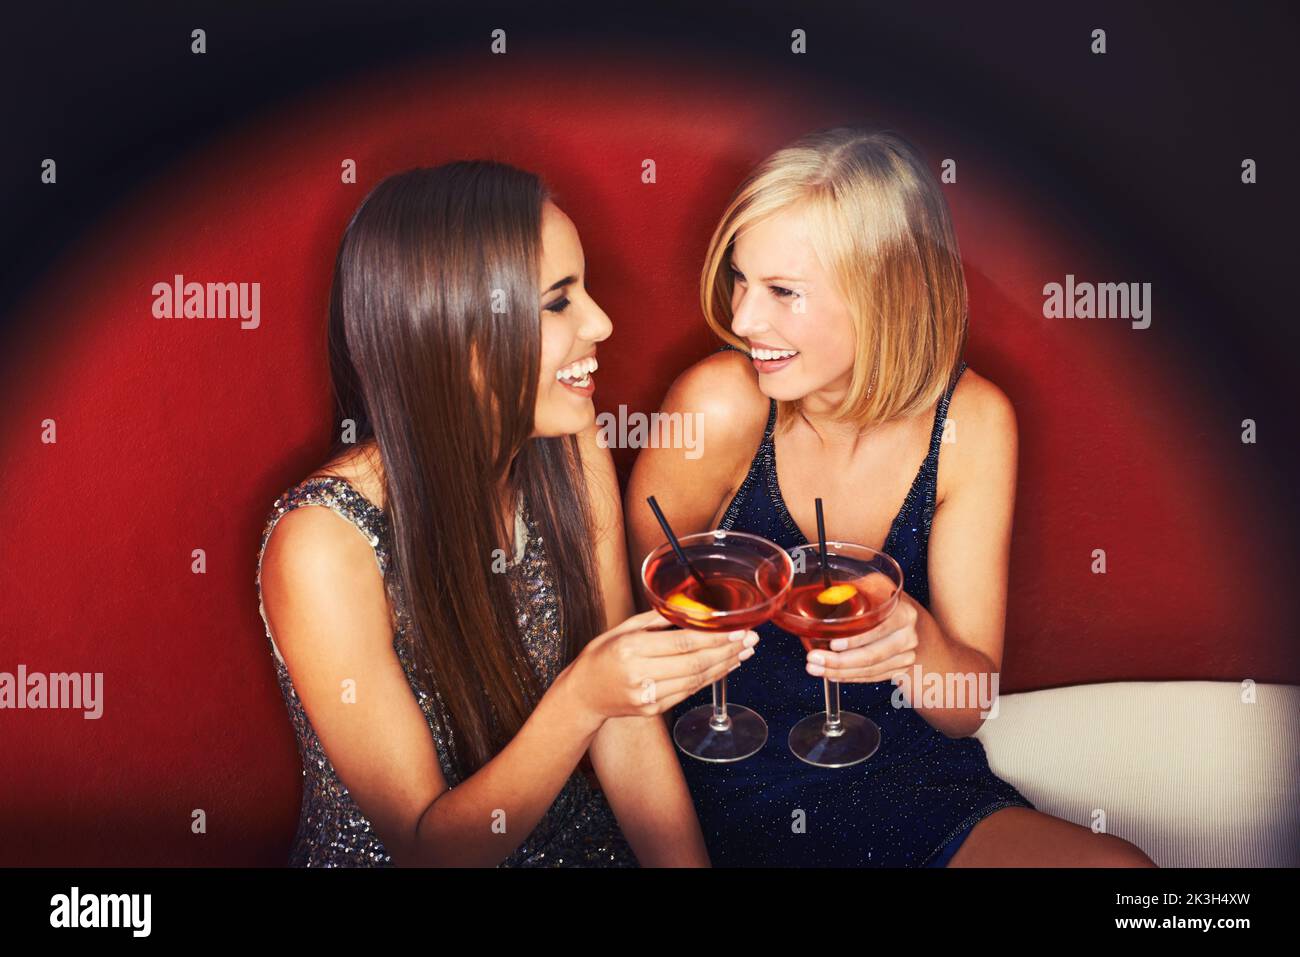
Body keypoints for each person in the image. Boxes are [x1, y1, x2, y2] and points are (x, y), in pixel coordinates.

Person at [626, 128, 1157, 867]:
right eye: (742, 280)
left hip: (904, 779)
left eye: (784, 292)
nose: (744, 319)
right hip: (729, 781)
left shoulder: (972, 422)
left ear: (885, 292)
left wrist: (917, 640)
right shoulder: (719, 407)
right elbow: (634, 666)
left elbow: (964, 707)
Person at [256, 161, 758, 866]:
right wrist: (582, 697)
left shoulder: (569, 438)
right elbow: (427, 848)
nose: (602, 321)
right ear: (453, 337)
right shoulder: (322, 543)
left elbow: (625, 714)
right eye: (558, 303)